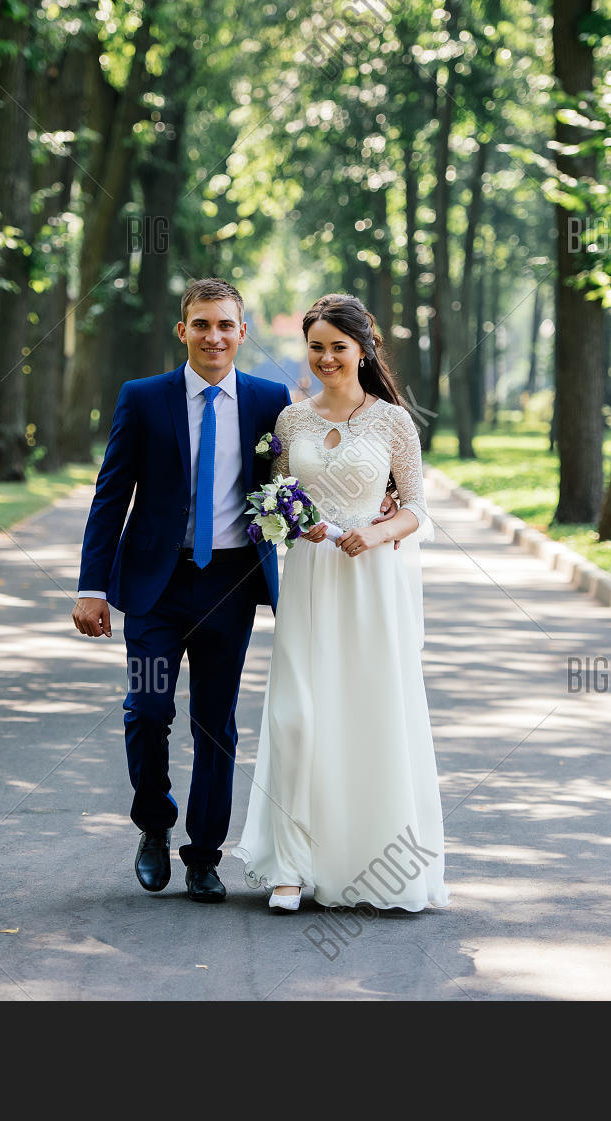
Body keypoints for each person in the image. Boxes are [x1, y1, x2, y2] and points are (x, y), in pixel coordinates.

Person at [71, 279, 398, 903]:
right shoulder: (143, 398)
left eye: (225, 325)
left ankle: (203, 855)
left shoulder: (268, 401)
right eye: (201, 324)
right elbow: (110, 495)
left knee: (215, 723)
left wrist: (382, 500)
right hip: (155, 588)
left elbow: (306, 473)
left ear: (242, 333)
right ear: (183, 331)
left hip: (230, 584)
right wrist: (92, 586)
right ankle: (154, 825)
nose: (213, 336)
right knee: (147, 709)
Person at [233, 293, 450, 913]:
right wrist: (290, 522)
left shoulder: (393, 422)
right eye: (317, 347)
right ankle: (290, 865)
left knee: (366, 714)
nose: (326, 358)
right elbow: (279, 493)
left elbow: (416, 507)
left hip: (370, 581)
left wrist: (376, 533)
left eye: (339, 347)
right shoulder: (291, 421)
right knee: (297, 714)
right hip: (308, 579)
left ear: (363, 350)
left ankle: (369, 863)